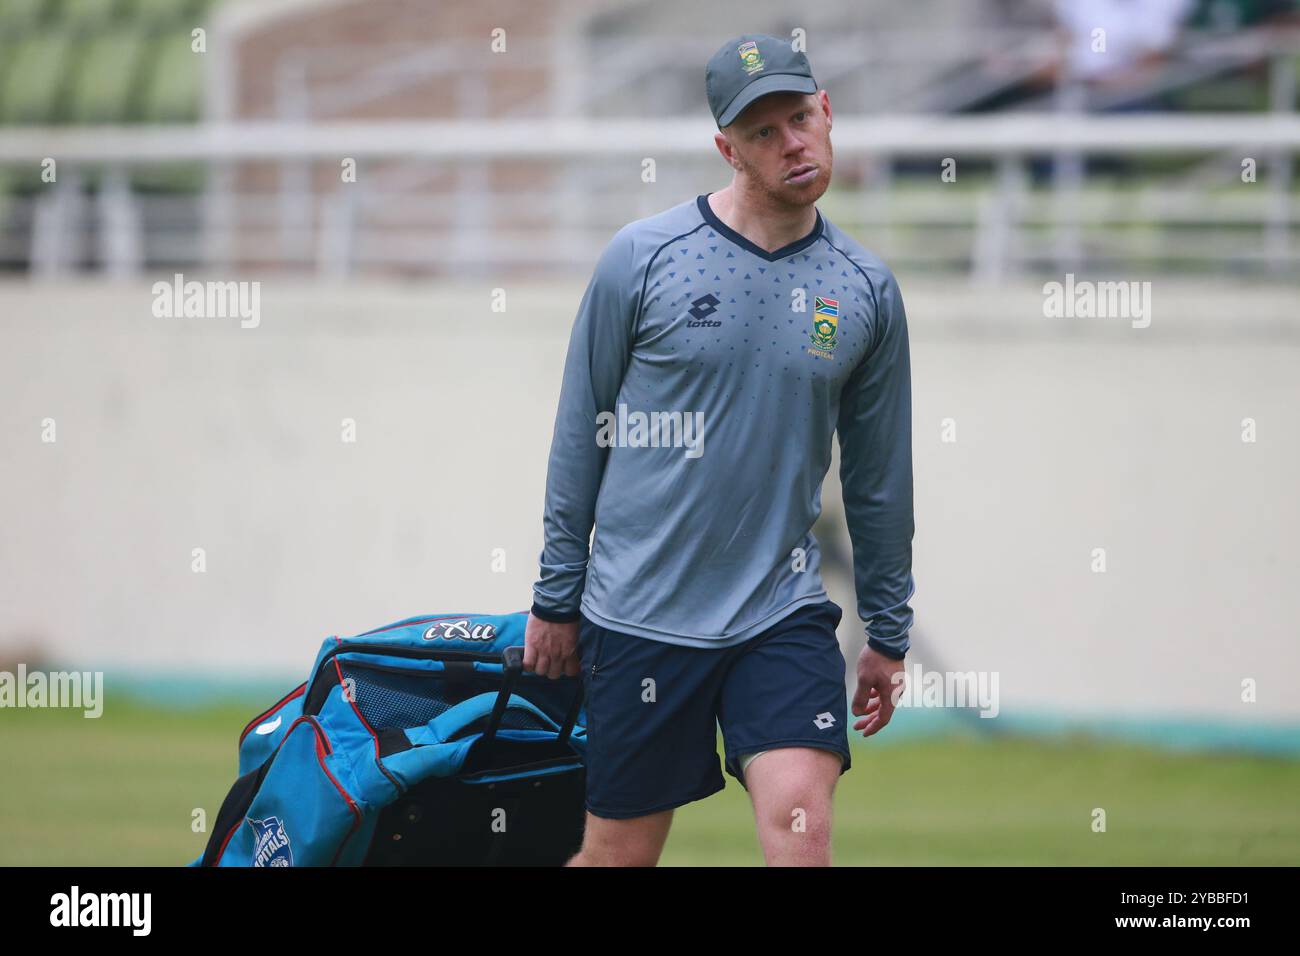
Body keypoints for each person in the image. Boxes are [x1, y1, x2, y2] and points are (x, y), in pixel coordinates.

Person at [525, 33, 916, 867]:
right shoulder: (641, 258)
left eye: (801, 118)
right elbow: (580, 432)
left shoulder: (865, 288)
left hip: (780, 612)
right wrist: (557, 595)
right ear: (726, 149)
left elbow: (880, 477)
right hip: (639, 613)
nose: (793, 144)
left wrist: (887, 626)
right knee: (618, 857)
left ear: (828, 113)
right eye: (764, 132)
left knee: (799, 820)